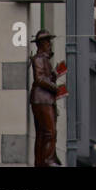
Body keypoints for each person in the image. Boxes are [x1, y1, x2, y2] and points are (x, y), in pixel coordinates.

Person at [30, 29, 60, 167]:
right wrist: (54, 87)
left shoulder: (45, 59)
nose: (50, 44)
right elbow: (40, 79)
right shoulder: (38, 59)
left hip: (46, 99)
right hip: (42, 99)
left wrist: (54, 74)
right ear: (41, 43)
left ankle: (43, 160)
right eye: (47, 41)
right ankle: (48, 160)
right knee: (50, 131)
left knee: (44, 133)